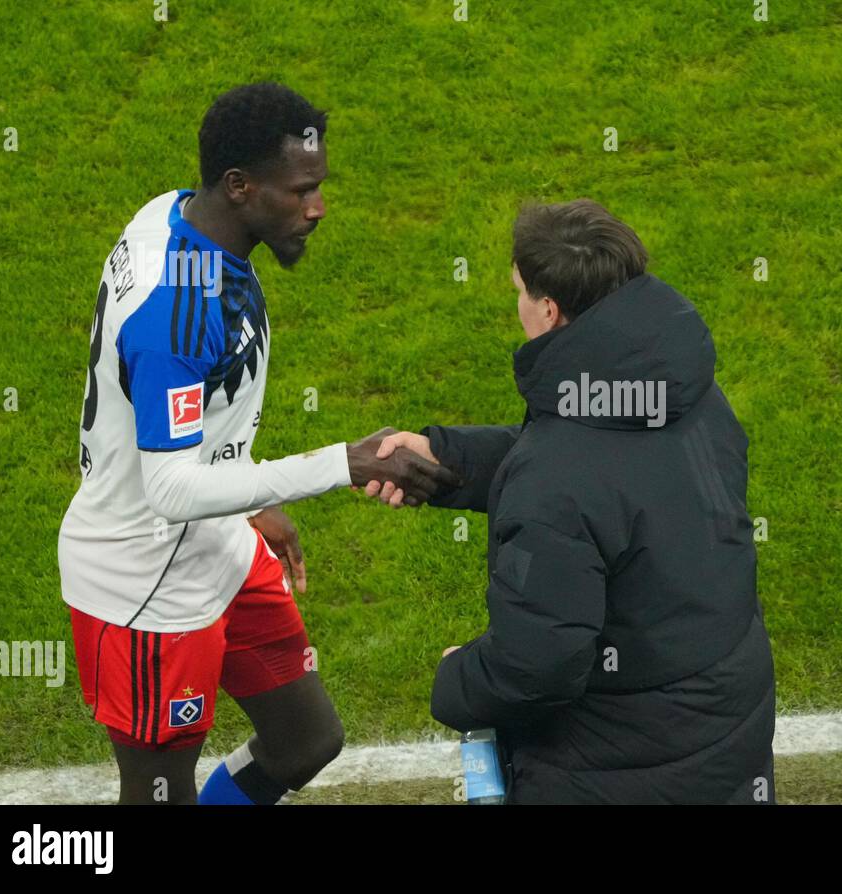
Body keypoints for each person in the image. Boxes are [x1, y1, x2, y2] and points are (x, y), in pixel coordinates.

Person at [58, 82, 457, 805]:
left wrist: (241, 499)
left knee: (306, 740)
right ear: (239, 187)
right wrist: (345, 462)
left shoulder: (181, 217)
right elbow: (170, 490)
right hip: (146, 583)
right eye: (301, 191)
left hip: (213, 541)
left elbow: (191, 438)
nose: (318, 208)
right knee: (157, 792)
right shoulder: (176, 316)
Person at [365, 199, 777, 804]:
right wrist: (448, 459)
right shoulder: (685, 392)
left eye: (520, 293)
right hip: (726, 739)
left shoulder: (556, 474)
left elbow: (538, 667)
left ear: (550, 310)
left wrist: (456, 679)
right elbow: (607, 470)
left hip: (614, 771)